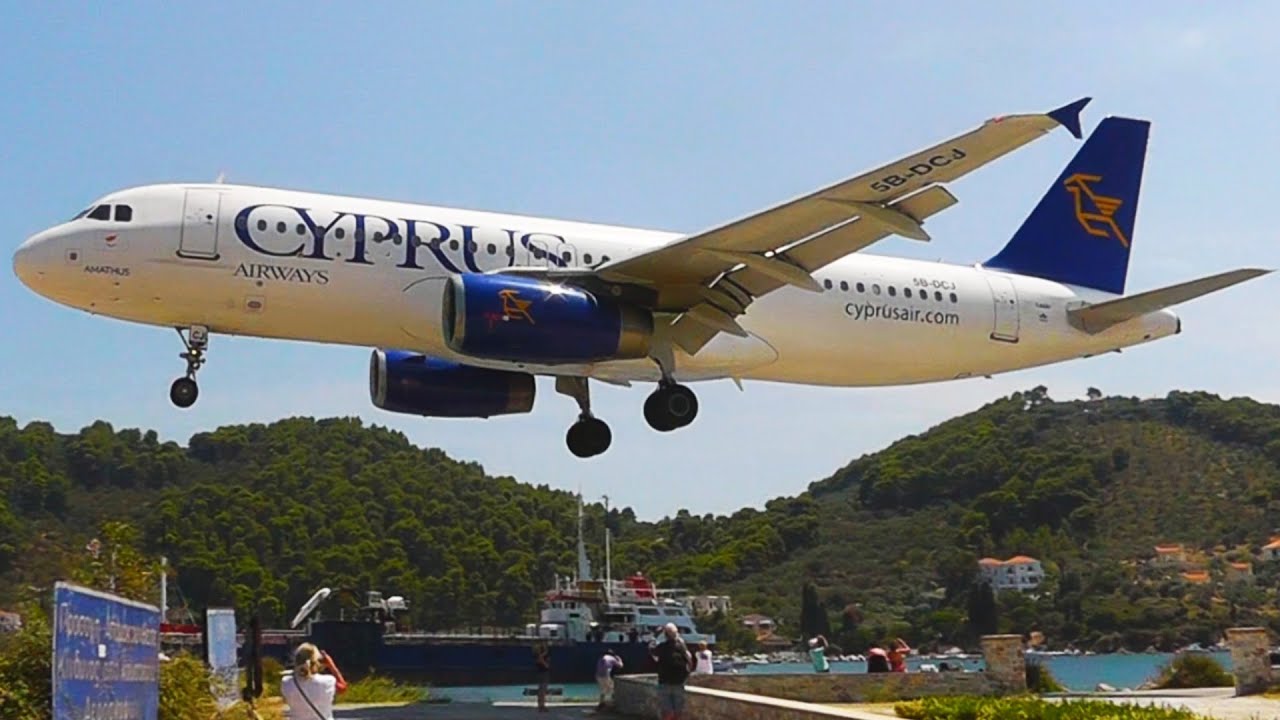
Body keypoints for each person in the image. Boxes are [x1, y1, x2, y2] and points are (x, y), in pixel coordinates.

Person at [281, 643, 347, 720]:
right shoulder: (328, 681)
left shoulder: (286, 682)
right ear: (316, 661)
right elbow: (343, 687)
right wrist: (331, 665)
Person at [650, 623, 693, 720]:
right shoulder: (681, 647)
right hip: (679, 681)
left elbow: (652, 652)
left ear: (665, 635)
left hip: (664, 680)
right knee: (678, 710)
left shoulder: (662, 647)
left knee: (667, 710)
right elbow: (689, 659)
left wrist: (654, 637)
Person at [533, 641, 552, 713]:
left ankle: (540, 705)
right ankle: (542, 705)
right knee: (542, 690)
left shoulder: (540, 655)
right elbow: (540, 660)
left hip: (542, 672)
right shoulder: (541, 655)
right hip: (543, 672)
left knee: (541, 689)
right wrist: (546, 665)